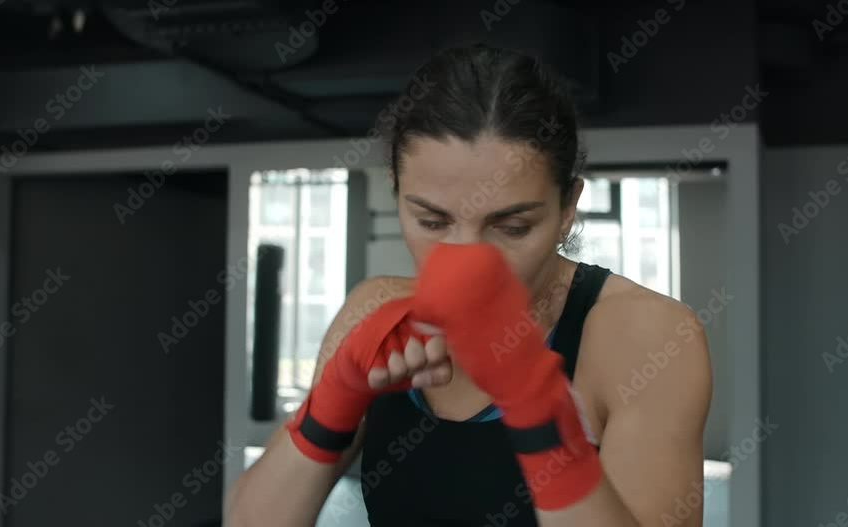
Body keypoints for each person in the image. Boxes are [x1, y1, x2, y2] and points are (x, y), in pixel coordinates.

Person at [225, 43, 712, 527]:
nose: (469, 263)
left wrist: (544, 423)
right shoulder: (373, 310)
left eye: (512, 226)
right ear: (397, 193)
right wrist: (327, 410)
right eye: (432, 221)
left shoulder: (647, 336)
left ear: (568, 207)